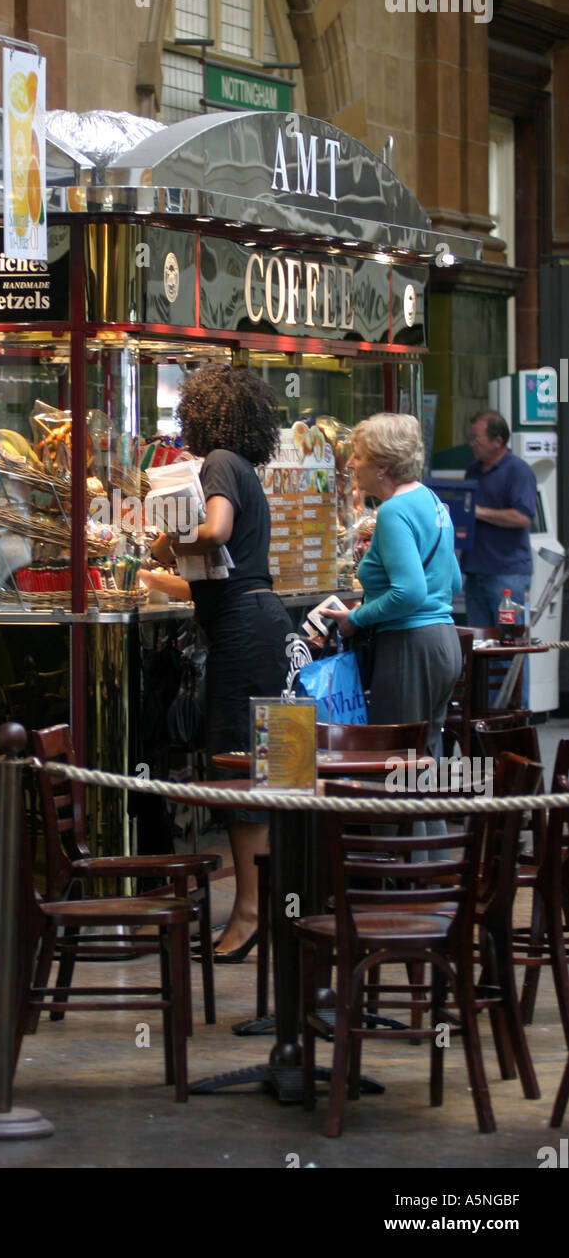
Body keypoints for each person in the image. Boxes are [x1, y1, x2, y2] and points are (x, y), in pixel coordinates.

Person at [148, 365, 291, 962]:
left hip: (243, 638)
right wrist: (163, 570)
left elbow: (215, 531)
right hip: (263, 624)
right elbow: (218, 578)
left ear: (202, 415)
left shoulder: (219, 463)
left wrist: (168, 537)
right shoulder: (244, 467)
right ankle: (278, 908)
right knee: (271, 773)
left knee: (239, 774)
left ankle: (250, 916)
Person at [321, 414, 461, 835]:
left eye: (358, 457)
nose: (351, 465)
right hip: (443, 642)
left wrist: (354, 619)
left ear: (382, 465)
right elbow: (451, 581)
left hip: (409, 646)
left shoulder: (395, 511)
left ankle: (396, 877)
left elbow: (409, 592)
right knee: (422, 763)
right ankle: (429, 874)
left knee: (393, 764)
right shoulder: (434, 503)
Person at [459, 409, 537, 706]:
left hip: (507, 574)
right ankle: (485, 716)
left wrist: (477, 513)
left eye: (476, 439)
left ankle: (514, 718)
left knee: (512, 648)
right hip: (476, 570)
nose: (472, 444)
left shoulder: (518, 471)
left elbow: (522, 517)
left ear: (498, 440)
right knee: (482, 649)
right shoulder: (472, 471)